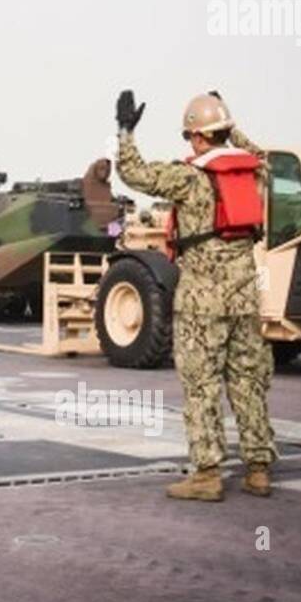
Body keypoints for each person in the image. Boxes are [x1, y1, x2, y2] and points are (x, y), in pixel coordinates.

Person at [115, 89, 276, 501]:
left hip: (202, 298)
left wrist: (125, 132)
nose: (190, 144)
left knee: (201, 383)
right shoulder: (256, 173)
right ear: (225, 131)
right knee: (248, 379)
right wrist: (231, 127)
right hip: (244, 293)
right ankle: (258, 469)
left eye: (191, 137)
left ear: (198, 138)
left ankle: (206, 475)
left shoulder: (189, 177)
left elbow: (134, 174)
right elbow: (263, 156)